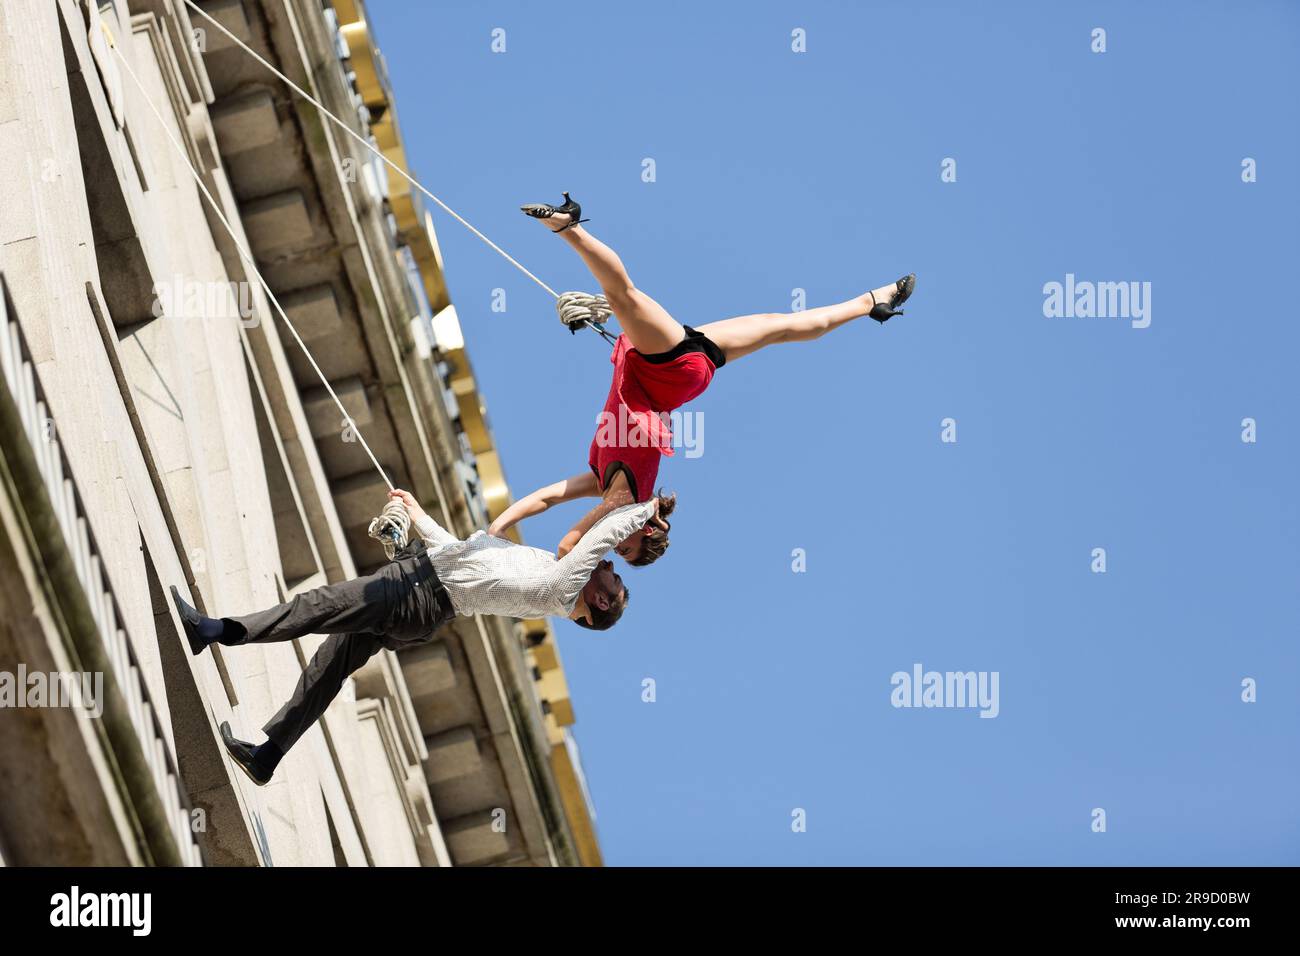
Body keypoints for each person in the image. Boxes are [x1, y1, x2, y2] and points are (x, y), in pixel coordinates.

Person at [487, 192, 916, 566]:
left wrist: (499, 524)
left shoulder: (602, 482)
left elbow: (547, 497)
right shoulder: (629, 502)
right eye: (627, 548)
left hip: (682, 370)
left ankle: (870, 302)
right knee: (625, 295)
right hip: (669, 373)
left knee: (782, 326)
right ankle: (568, 225)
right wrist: (564, 569)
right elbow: (568, 544)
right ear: (649, 529)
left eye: (617, 551)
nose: (615, 545)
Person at [172, 489, 656, 785]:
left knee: (317, 606)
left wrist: (648, 508)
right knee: (332, 663)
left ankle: (214, 631)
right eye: (612, 572)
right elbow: (460, 555)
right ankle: (268, 756)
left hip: (418, 593)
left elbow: (597, 539)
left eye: (613, 580)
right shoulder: (548, 573)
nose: (610, 566)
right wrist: (416, 512)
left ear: (597, 604)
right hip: (426, 593)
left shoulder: (560, 588)